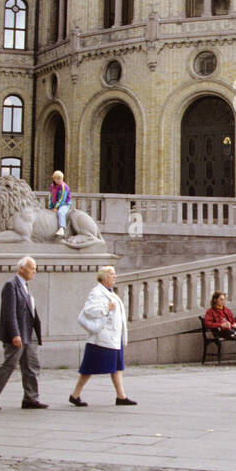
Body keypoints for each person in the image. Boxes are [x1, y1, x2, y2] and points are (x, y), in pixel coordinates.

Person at [0, 256, 46, 409]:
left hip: (29, 333)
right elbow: (9, 312)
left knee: (32, 365)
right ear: (21, 269)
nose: (34, 271)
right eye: (32, 268)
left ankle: (30, 398)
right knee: (9, 365)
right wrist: (15, 334)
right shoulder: (11, 285)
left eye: (35, 268)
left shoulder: (25, 285)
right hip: (18, 334)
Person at [69, 266, 136, 406]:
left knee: (117, 367)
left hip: (113, 338)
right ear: (104, 277)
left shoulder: (109, 292)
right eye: (112, 274)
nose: (115, 276)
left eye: (114, 274)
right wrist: (107, 308)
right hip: (101, 339)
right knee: (88, 369)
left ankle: (121, 396)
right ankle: (75, 395)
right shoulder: (97, 292)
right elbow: (90, 310)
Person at [204, 292, 236, 364]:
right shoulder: (210, 311)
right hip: (219, 331)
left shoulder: (227, 310)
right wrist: (221, 325)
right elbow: (208, 324)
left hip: (230, 330)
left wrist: (234, 324)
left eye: (224, 300)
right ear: (215, 300)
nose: (223, 301)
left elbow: (233, 321)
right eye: (221, 299)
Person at [49, 170, 73, 237]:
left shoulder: (64, 187)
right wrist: (50, 207)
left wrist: (56, 207)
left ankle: (62, 228)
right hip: (55, 204)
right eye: (58, 179)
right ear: (54, 179)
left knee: (61, 212)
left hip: (64, 204)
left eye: (61, 179)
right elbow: (51, 197)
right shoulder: (52, 186)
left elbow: (62, 199)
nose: (60, 180)